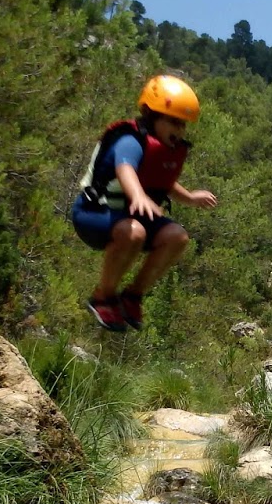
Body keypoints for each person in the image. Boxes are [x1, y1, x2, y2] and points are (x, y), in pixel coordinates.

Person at [71, 74, 217, 332]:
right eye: (173, 122)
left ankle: (132, 296)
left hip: (128, 219)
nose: (180, 130)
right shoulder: (130, 140)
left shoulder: (160, 149)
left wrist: (191, 198)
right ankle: (102, 297)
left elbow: (163, 183)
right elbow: (125, 167)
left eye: (183, 124)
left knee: (177, 237)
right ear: (151, 115)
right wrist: (138, 195)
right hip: (94, 214)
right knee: (135, 232)